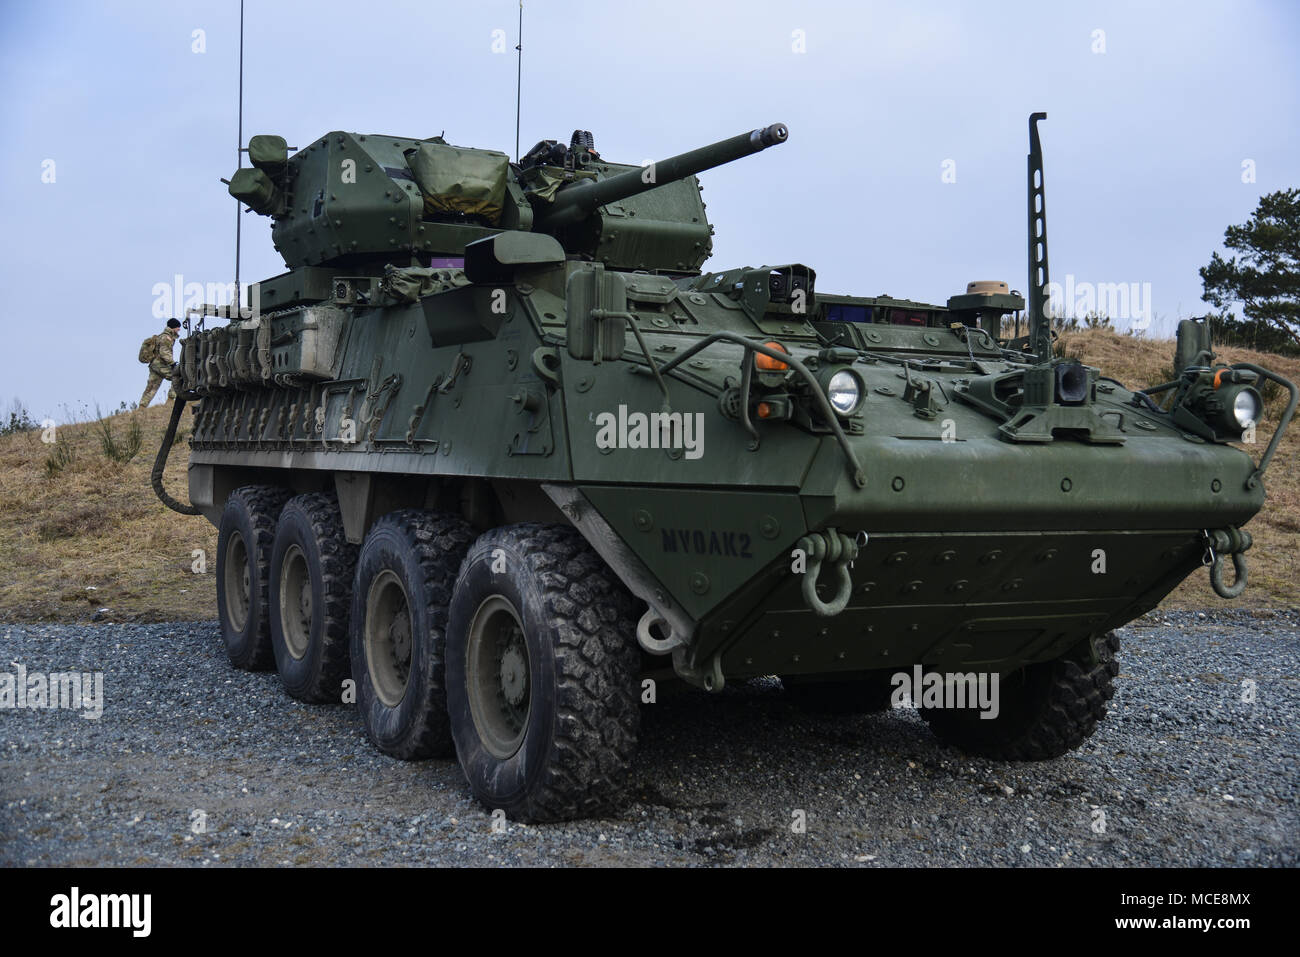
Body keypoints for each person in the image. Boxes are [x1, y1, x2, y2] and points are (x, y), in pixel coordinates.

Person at [139, 319, 181, 408]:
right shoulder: (167, 337)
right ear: (173, 327)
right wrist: (172, 363)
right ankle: (170, 400)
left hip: (154, 365)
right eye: (178, 327)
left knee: (151, 387)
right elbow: (164, 352)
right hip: (161, 365)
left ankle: (142, 407)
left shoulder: (162, 336)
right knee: (178, 376)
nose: (179, 329)